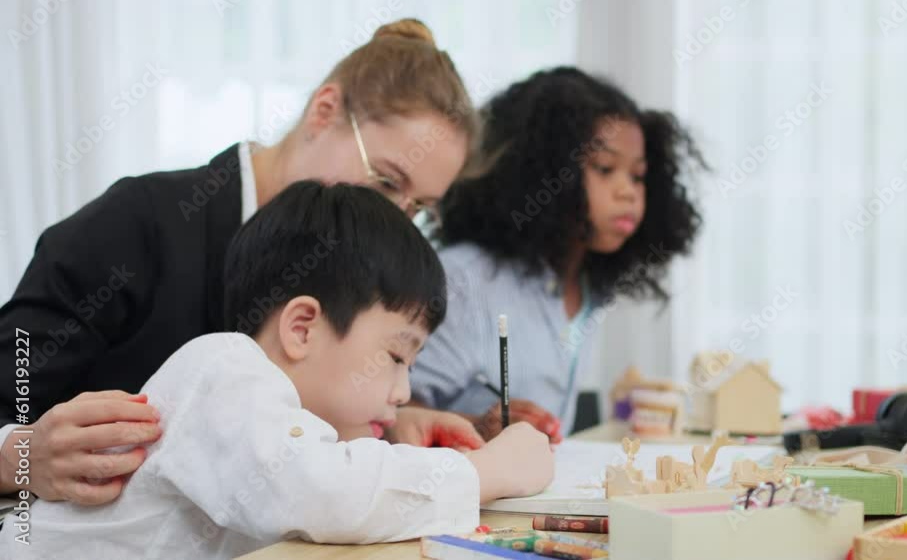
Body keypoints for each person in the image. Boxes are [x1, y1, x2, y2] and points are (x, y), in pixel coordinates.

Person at [0, 18, 482, 506]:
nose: (397, 216)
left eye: (419, 209)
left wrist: (383, 422)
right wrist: (19, 456)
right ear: (325, 111)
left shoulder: (359, 272)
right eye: (387, 182)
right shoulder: (136, 225)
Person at [0, 182, 555, 559]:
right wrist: (485, 473)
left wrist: (405, 442)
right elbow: (323, 493)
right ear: (302, 328)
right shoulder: (224, 370)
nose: (403, 390)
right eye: (395, 357)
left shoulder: (269, 409)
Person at [410, 67, 702, 440]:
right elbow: (391, 416)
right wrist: (477, 426)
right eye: (605, 168)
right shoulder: (462, 282)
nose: (628, 192)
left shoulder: (589, 286)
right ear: (544, 173)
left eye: (638, 175)